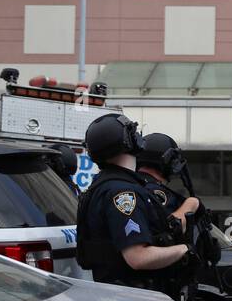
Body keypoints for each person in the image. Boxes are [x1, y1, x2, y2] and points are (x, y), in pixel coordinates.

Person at [75, 115, 191, 289]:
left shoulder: (106, 185)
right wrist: (184, 250)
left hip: (118, 294)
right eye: (133, 133)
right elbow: (138, 257)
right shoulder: (123, 192)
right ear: (129, 142)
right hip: (132, 299)